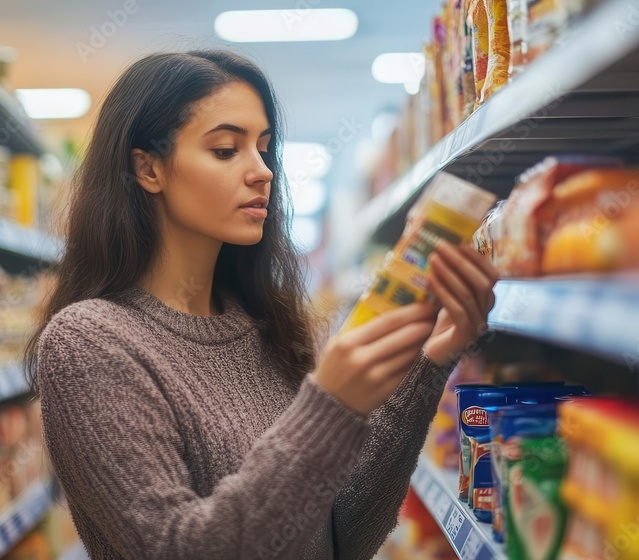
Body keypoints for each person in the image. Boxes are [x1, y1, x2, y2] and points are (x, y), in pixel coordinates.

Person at [27, 50, 498, 560]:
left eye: (265, 148)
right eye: (227, 150)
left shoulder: (262, 328)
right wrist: (330, 407)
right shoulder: (88, 344)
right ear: (148, 169)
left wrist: (428, 362)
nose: (262, 172)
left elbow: (339, 537)